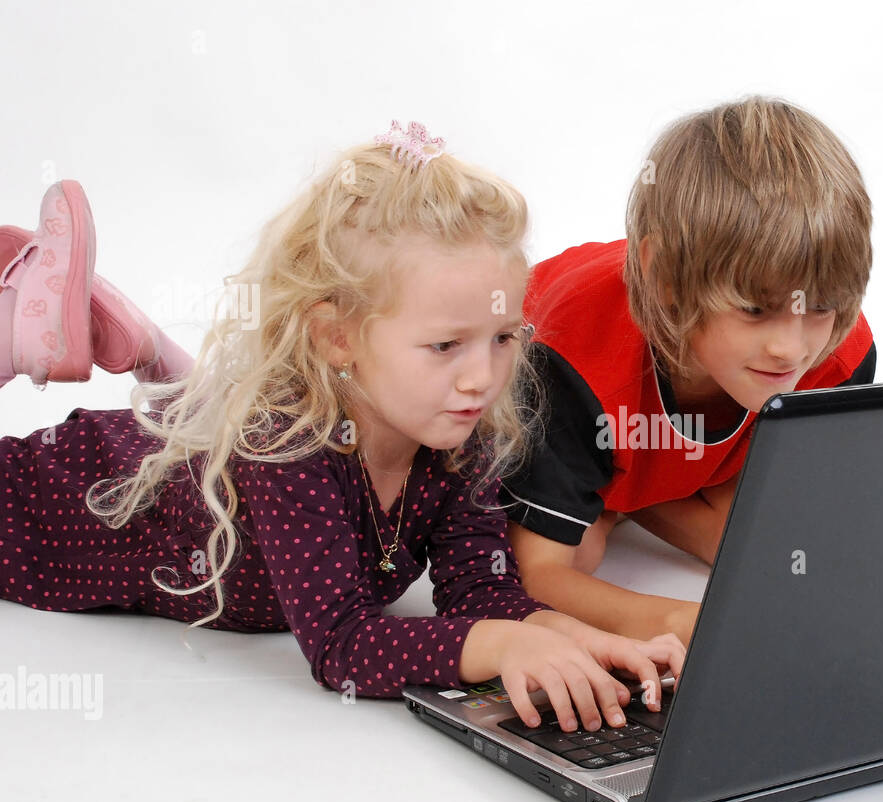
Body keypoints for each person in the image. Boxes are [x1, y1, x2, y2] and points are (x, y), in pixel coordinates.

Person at [0, 122, 684, 734]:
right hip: (48, 501)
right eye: (446, 346)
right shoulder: (286, 444)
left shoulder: (459, 433)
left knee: (201, 430)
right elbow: (343, 647)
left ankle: (163, 371)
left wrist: (589, 644)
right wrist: (507, 648)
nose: (483, 377)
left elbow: (485, 594)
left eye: (505, 338)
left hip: (178, 461)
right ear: (337, 338)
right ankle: (19, 333)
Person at [502, 96, 878, 644]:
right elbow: (538, 575)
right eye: (753, 309)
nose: (790, 349)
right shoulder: (574, 358)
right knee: (581, 550)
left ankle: (634, 493)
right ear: (666, 282)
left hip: (651, 444)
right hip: (565, 400)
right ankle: (615, 491)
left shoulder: (839, 353)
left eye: (819, 307)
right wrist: (685, 624)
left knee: (765, 542)